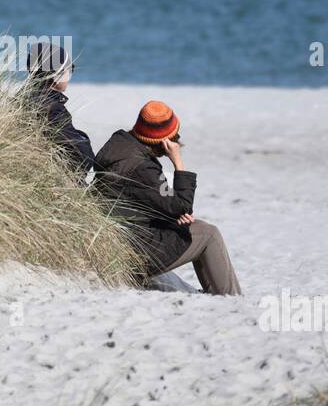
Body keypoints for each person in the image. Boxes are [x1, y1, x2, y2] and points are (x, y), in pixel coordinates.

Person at [93, 100, 241, 295]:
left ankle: (217, 293)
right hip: (135, 250)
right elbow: (182, 206)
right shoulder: (142, 167)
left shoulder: (119, 143)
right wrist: (178, 162)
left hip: (117, 236)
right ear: (164, 142)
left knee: (199, 227)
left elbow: (139, 198)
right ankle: (231, 297)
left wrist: (172, 214)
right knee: (209, 234)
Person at [25, 42, 95, 177]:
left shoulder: (24, 98)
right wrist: (83, 138)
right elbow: (84, 156)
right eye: (69, 69)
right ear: (56, 76)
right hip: (54, 178)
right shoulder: (52, 109)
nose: (70, 74)